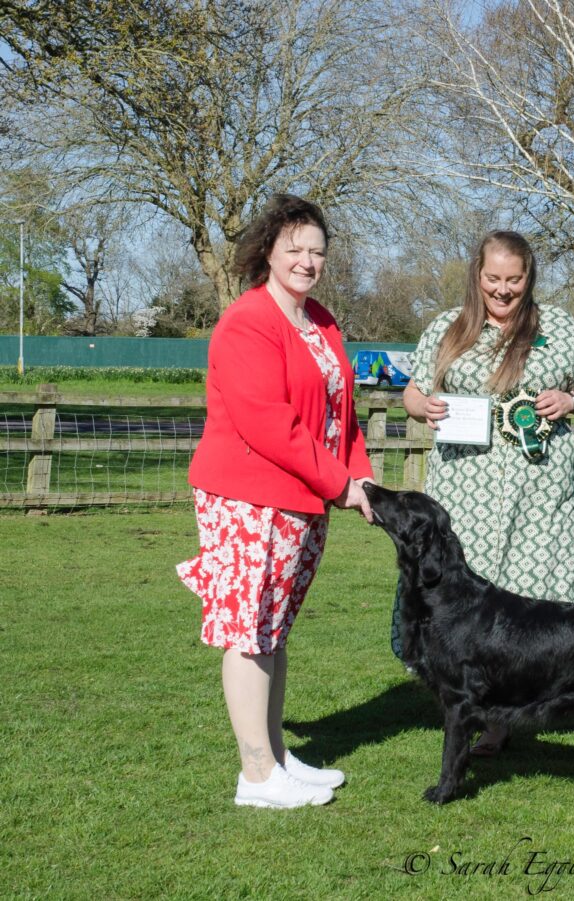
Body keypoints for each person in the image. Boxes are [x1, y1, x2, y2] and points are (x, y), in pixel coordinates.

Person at [177, 194, 375, 808]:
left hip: (301, 498)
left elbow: (341, 414)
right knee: (249, 632)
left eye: (317, 251)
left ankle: (279, 757)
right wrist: (339, 484)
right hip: (247, 498)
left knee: (274, 630)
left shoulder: (321, 320)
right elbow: (269, 424)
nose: (307, 260)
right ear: (267, 250)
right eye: (294, 248)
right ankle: (256, 776)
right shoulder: (247, 321)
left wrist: (360, 477)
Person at [402, 229, 574, 761]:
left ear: (529, 278)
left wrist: (570, 399)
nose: (503, 290)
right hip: (465, 493)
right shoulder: (446, 328)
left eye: (514, 280)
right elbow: (412, 389)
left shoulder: (557, 327)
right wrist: (421, 407)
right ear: (477, 274)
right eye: (493, 278)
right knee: (480, 619)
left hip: (538, 493)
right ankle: (494, 725)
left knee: (560, 606)